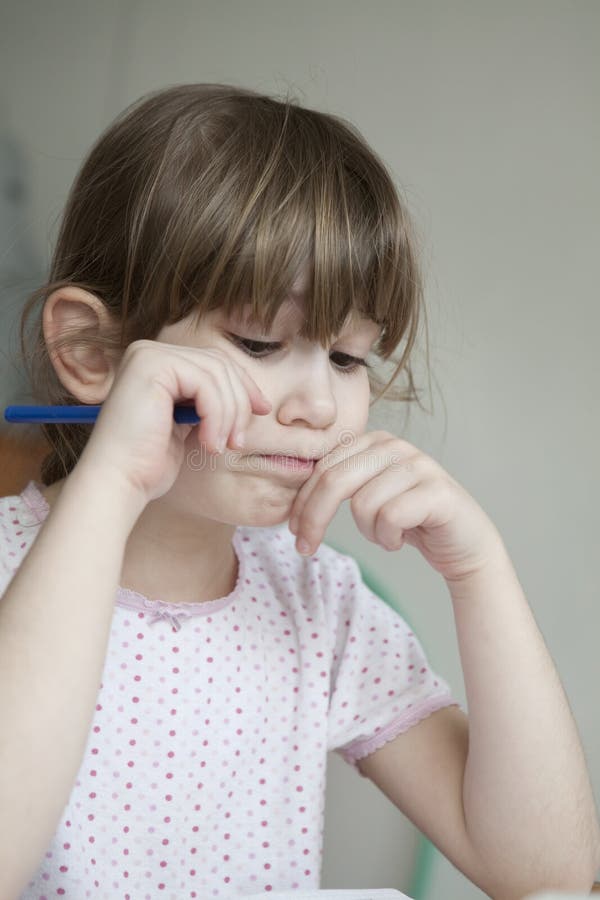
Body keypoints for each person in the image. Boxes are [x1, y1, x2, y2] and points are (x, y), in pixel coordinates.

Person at [0, 84, 598, 900]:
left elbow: (549, 874)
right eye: (258, 341)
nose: (318, 405)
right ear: (93, 352)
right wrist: (114, 477)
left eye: (348, 359)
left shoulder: (320, 608)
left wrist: (481, 573)